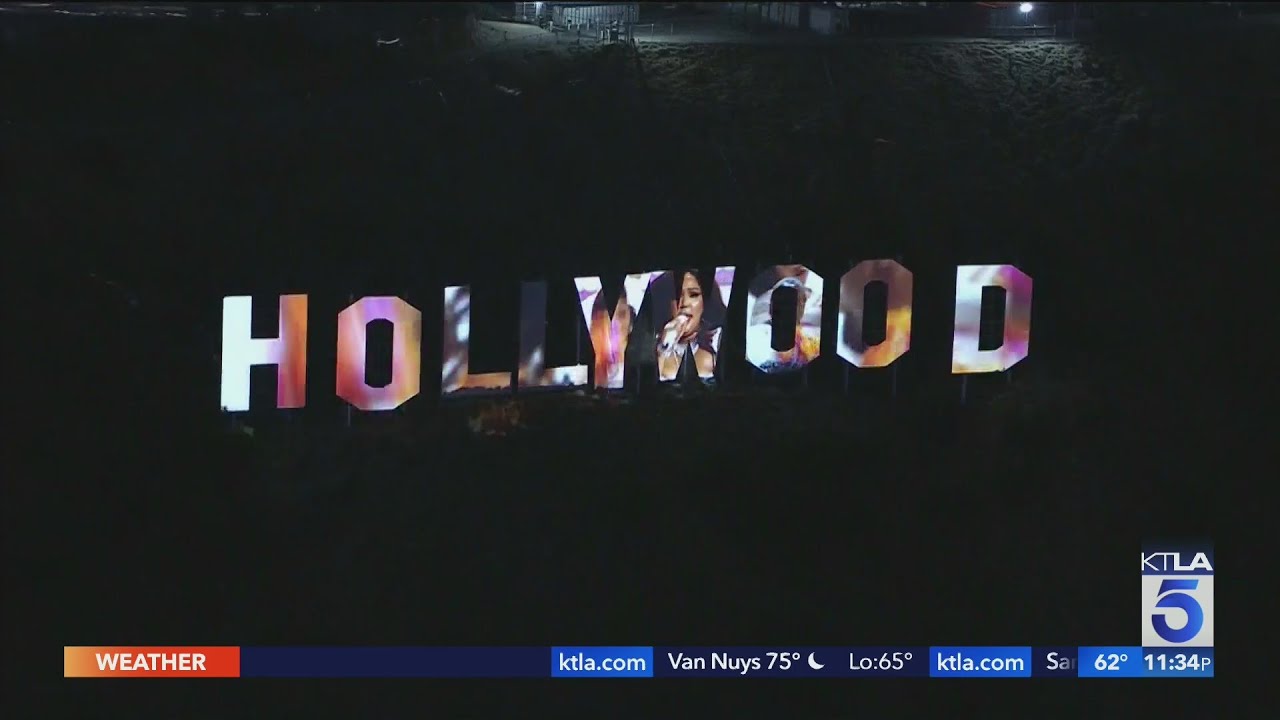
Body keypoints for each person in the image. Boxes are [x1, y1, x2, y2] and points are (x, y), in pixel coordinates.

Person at [655, 270, 727, 383]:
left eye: (693, 295)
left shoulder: (719, 349)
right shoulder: (652, 349)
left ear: (705, 303)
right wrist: (663, 348)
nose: (684, 303)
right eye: (677, 296)